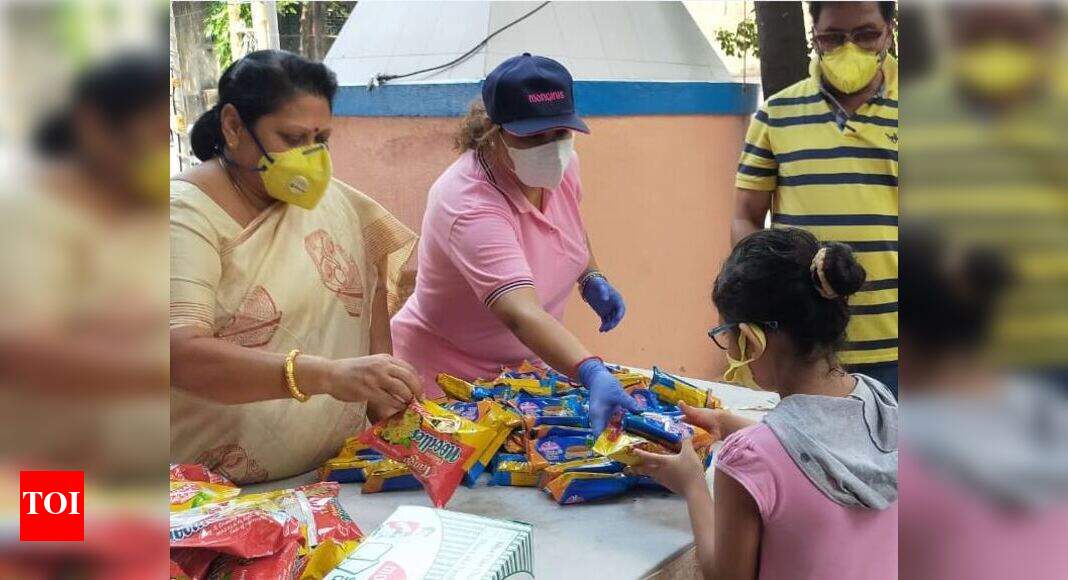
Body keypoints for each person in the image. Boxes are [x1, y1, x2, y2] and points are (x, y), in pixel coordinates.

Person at [169, 50, 422, 484]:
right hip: (211, 499)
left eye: (320, 140)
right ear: (233, 126)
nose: (310, 158)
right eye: (291, 138)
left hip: (330, 480)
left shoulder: (333, 202)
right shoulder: (183, 216)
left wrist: (382, 395)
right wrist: (323, 374)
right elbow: (179, 354)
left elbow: (370, 288)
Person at [390, 53, 638, 434]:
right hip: (447, 380)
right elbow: (520, 313)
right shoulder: (467, 202)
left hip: (523, 375)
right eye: (533, 137)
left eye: (560, 133)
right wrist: (590, 369)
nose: (551, 148)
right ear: (493, 132)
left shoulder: (564, 167)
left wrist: (591, 276)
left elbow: (569, 226)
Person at [635, 227, 898, 580]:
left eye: (723, 334)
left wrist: (693, 485)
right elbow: (813, 449)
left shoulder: (749, 460)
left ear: (750, 340)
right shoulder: (881, 404)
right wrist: (731, 425)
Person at [732, 1, 899, 395]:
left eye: (866, 34)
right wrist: (755, 303)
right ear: (814, 37)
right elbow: (747, 216)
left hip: (906, 349)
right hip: (807, 348)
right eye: (833, 37)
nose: (849, 48)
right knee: (810, 457)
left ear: (889, 32)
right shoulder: (776, 115)